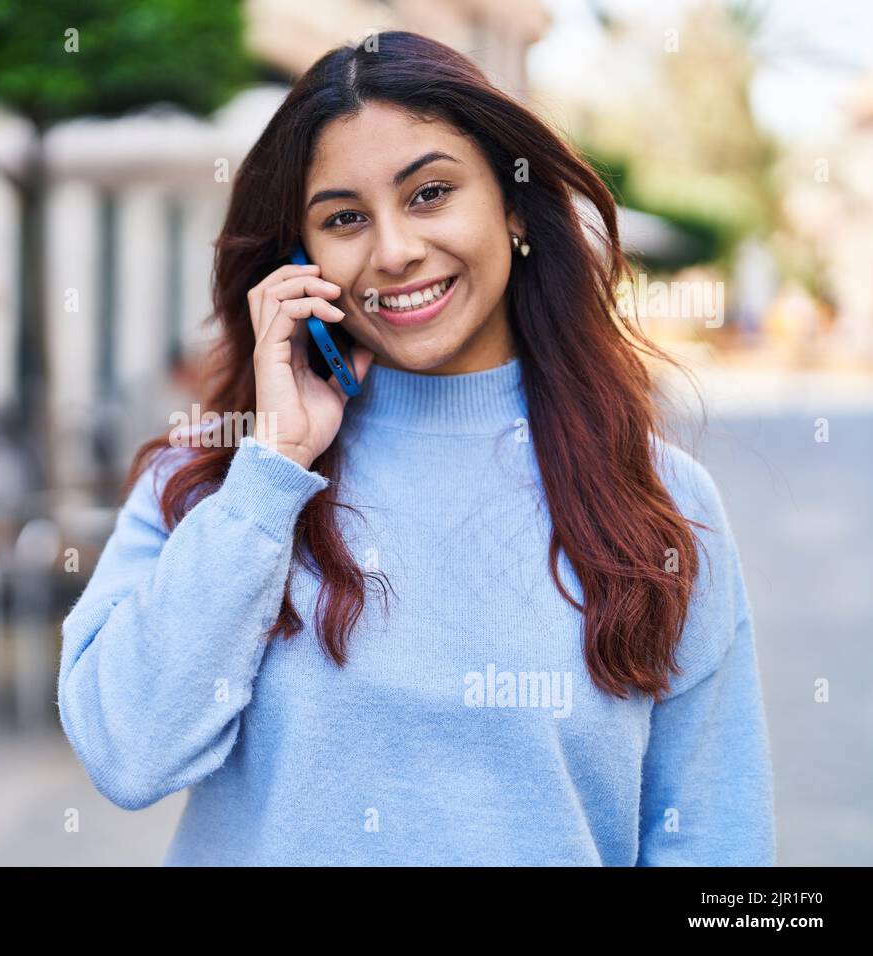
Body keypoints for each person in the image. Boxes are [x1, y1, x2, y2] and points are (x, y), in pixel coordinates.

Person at [57, 31, 775, 866]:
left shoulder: (659, 500)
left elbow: (715, 842)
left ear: (512, 205)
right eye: (344, 218)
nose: (393, 251)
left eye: (430, 193)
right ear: (301, 259)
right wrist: (273, 471)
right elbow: (126, 753)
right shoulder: (210, 482)